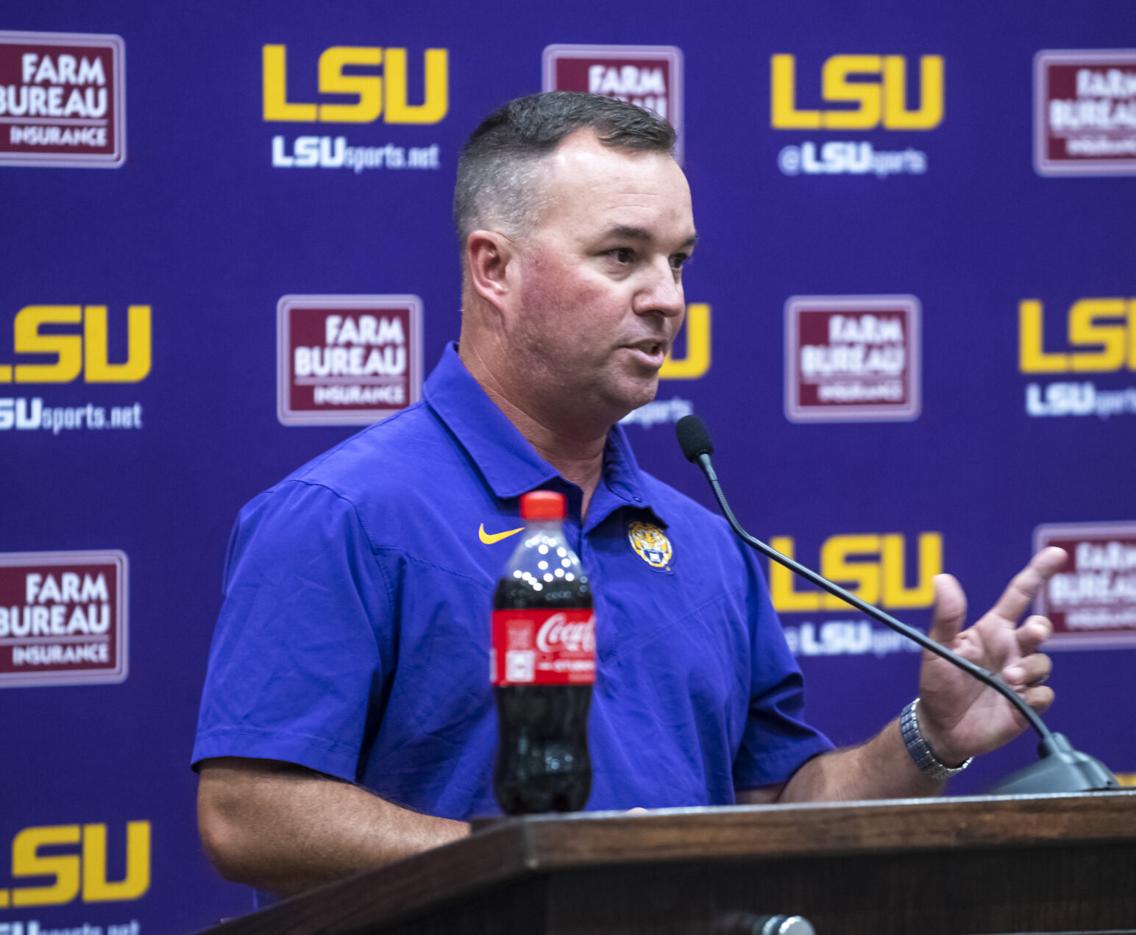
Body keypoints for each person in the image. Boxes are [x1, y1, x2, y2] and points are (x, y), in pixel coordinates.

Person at [192, 92, 1064, 898]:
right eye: (622, 255)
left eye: (678, 260)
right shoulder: (345, 514)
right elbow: (248, 813)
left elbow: (775, 802)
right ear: (493, 267)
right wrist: (538, 862)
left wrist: (929, 736)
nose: (668, 298)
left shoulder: (707, 542)